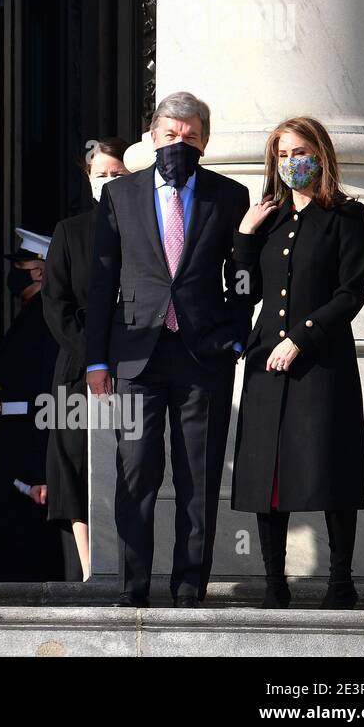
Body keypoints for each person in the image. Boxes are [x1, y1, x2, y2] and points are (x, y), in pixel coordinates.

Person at [85, 92, 250, 608]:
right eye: (171, 135)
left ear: (204, 141)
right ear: (152, 138)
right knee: (136, 475)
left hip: (203, 358)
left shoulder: (230, 196)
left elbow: (243, 275)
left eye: (191, 137)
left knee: (197, 480)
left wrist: (237, 333)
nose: (180, 144)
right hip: (136, 355)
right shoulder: (121, 195)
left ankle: (188, 593)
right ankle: (133, 590)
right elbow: (101, 279)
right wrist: (96, 358)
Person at [232, 116, 364, 610]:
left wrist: (301, 339)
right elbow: (242, 290)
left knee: (329, 463)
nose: (292, 162)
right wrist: (245, 236)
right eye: (283, 154)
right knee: (266, 467)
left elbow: (350, 293)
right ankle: (274, 583)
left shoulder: (347, 215)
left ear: (321, 154)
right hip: (264, 356)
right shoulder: (268, 218)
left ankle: (340, 582)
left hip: (321, 358)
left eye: (300, 152)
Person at [41, 137, 130, 580]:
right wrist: (94, 355)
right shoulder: (70, 231)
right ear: (88, 179)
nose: (110, 182)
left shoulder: (145, 227)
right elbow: (54, 302)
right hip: (79, 369)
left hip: (135, 366)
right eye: (102, 175)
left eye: (118, 175)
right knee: (74, 464)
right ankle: (89, 567)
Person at [0, 239, 59, 580]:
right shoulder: (30, 316)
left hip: (27, 451)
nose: (14, 277)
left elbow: (46, 394)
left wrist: (40, 471)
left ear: (38, 272)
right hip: (10, 448)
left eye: (21, 269)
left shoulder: (48, 319)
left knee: (29, 548)